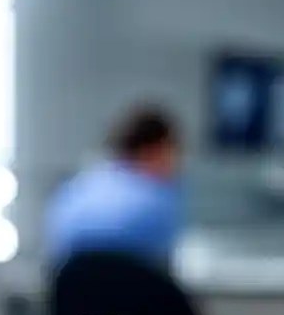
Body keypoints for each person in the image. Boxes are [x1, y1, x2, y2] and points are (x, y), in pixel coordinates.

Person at [45, 104, 184, 271]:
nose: (176, 163)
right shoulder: (157, 200)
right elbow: (161, 270)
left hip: (75, 294)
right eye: (172, 152)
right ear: (153, 150)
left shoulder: (74, 191)